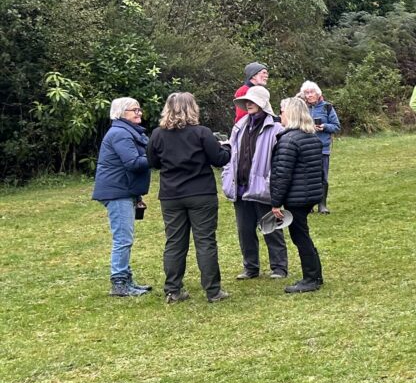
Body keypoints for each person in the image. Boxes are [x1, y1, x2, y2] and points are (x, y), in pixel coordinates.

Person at [148, 92, 230, 303]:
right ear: (193, 108)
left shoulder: (158, 134)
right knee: (205, 242)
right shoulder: (202, 133)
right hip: (201, 192)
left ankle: (173, 290)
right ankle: (213, 291)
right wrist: (227, 147)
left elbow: (153, 162)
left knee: (174, 242)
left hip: (171, 195)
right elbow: (219, 159)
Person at [221, 85, 289, 280]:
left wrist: (273, 185)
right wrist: (227, 176)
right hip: (240, 188)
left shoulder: (276, 128)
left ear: (263, 104)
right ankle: (251, 267)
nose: (248, 104)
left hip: (263, 188)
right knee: (245, 230)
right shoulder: (240, 125)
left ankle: (279, 267)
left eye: (252, 101)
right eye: (247, 101)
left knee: (271, 228)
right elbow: (232, 152)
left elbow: (279, 161)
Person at [93, 97, 152, 297]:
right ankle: (119, 283)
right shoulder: (120, 134)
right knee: (123, 239)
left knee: (125, 237)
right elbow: (134, 163)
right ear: (120, 114)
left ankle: (127, 279)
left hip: (124, 189)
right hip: (117, 191)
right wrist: (156, 156)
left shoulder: (126, 132)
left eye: (139, 109)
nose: (139, 113)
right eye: (133, 110)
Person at [269, 96, 327, 293]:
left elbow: (282, 174)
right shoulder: (311, 137)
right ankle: (315, 274)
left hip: (297, 196)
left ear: (291, 113)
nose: (280, 115)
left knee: (300, 236)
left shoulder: (288, 140)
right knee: (303, 234)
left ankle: (311, 278)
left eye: (282, 111)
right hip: (309, 193)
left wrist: (276, 203)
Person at [300, 81, 340, 213]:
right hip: (305, 147)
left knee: (323, 176)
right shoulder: (301, 108)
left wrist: (324, 127)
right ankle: (309, 205)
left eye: (312, 92)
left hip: (322, 148)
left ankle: (322, 205)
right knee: (307, 176)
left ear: (318, 94)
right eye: (307, 92)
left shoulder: (327, 107)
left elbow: (336, 126)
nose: (310, 95)